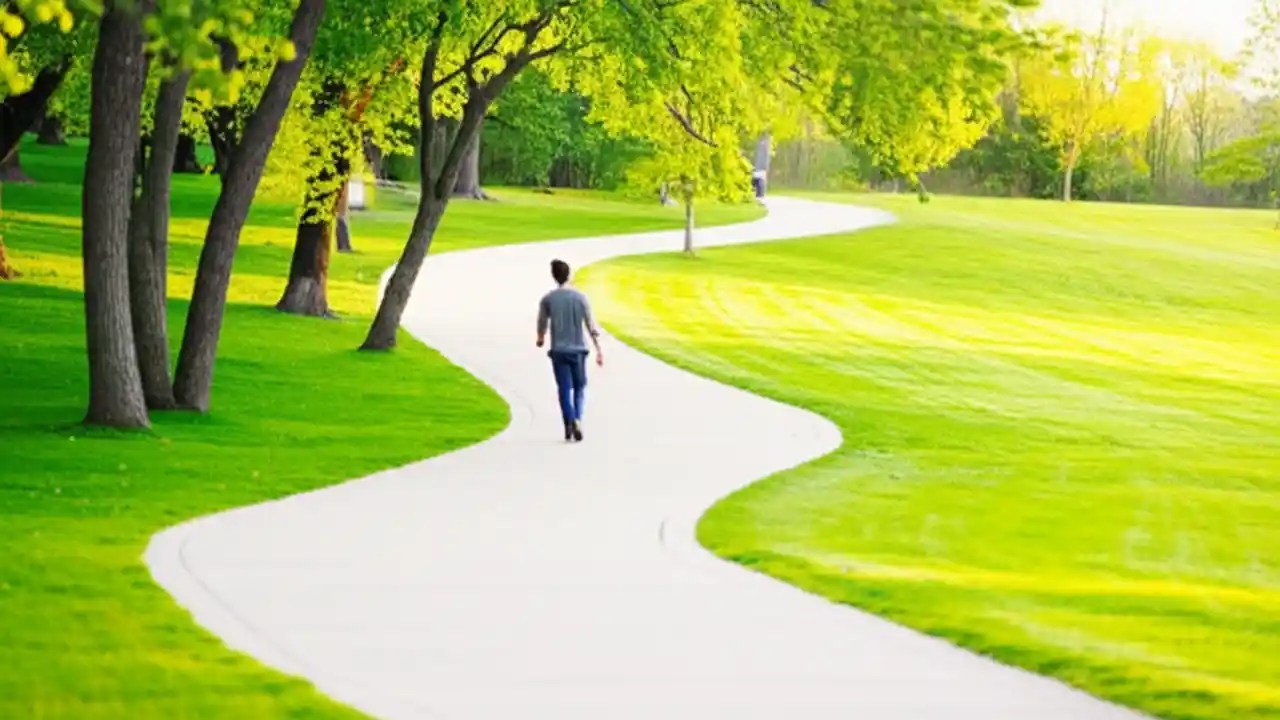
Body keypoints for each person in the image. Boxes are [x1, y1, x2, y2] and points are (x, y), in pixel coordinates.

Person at [536, 259, 604, 442]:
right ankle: (577, 419)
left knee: (564, 388)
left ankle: (568, 422)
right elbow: (591, 325)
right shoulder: (581, 298)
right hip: (579, 350)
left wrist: (540, 338)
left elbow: (542, 322)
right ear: (569, 275)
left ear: (554, 276)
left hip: (559, 350)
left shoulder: (548, 299)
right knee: (580, 387)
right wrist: (598, 349)